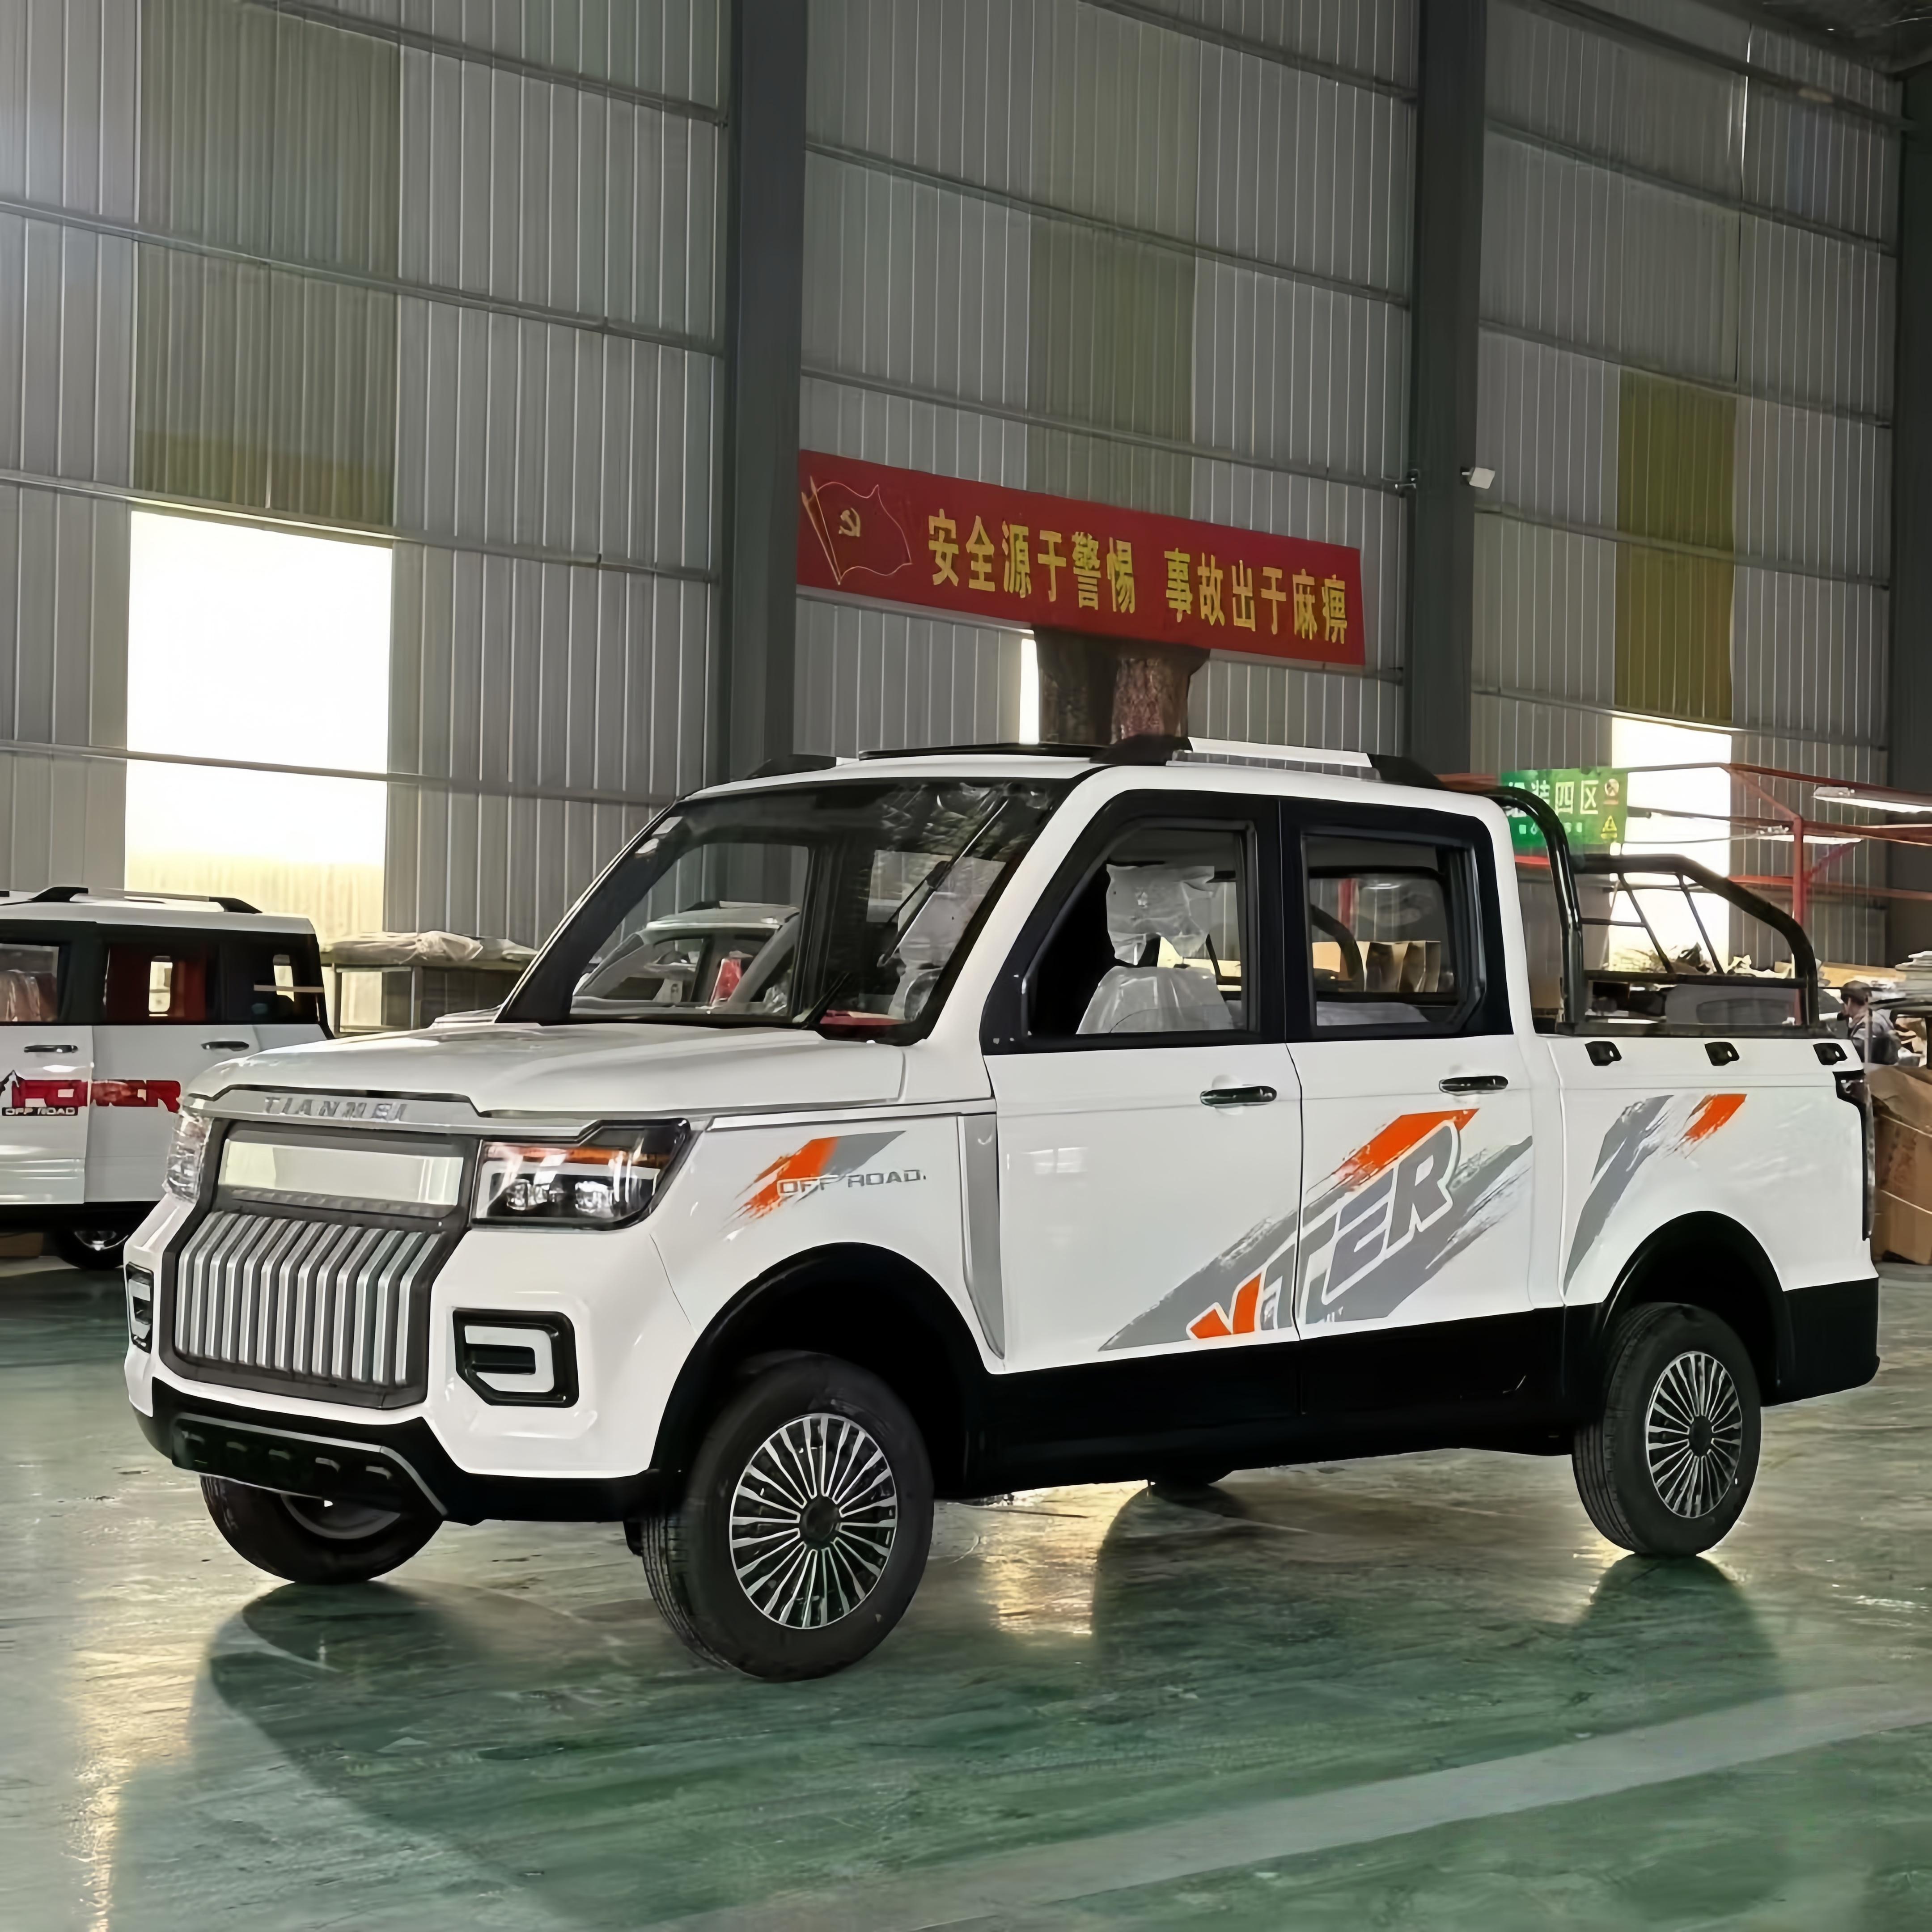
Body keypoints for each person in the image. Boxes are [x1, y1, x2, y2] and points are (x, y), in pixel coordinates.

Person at [1839, 979, 1900, 1064]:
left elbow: (1854, 1052)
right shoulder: (1875, 1017)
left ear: (1849, 1002)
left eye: (1844, 1002)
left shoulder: (1868, 1025)